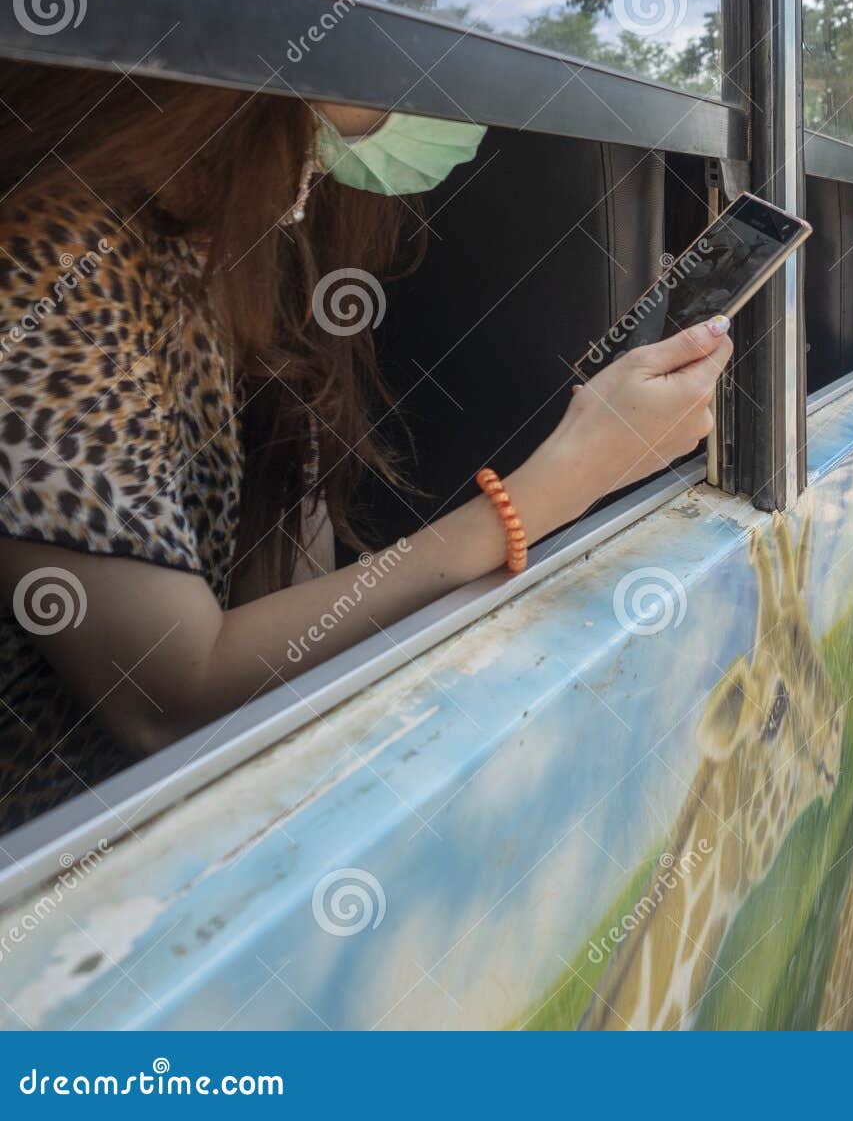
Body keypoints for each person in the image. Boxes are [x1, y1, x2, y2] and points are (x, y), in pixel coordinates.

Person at [0, 62, 731, 834]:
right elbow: (167, 700)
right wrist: (560, 484)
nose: (456, 98)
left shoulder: (209, 241)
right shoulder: (48, 254)